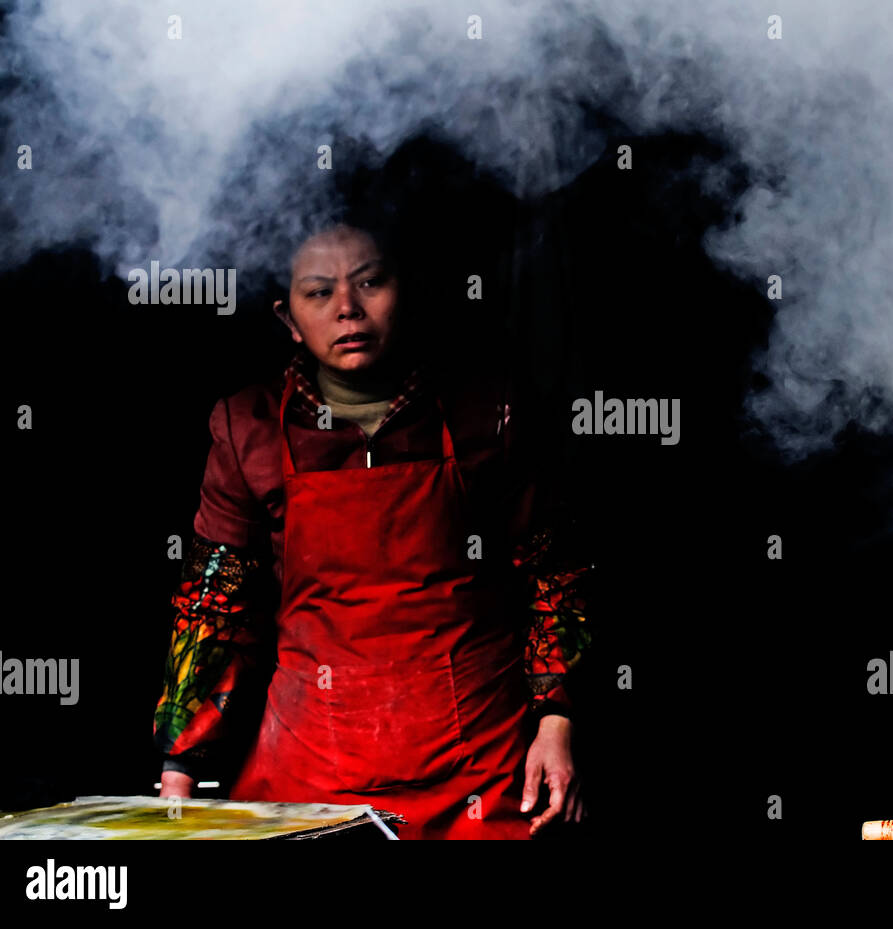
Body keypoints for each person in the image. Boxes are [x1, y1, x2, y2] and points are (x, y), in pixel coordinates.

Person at [152, 220, 590, 838]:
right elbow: (213, 603)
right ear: (289, 319)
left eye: (369, 283)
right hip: (311, 765)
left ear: (403, 290)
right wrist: (180, 767)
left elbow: (555, 572)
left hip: (481, 766)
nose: (348, 309)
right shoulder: (246, 427)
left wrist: (556, 724)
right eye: (319, 292)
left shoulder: (489, 411)